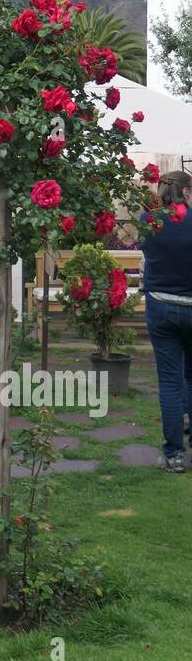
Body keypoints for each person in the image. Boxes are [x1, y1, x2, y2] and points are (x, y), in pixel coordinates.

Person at [141, 170, 192, 472]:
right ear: (186, 192)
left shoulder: (149, 222)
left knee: (170, 382)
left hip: (161, 307)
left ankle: (173, 455)